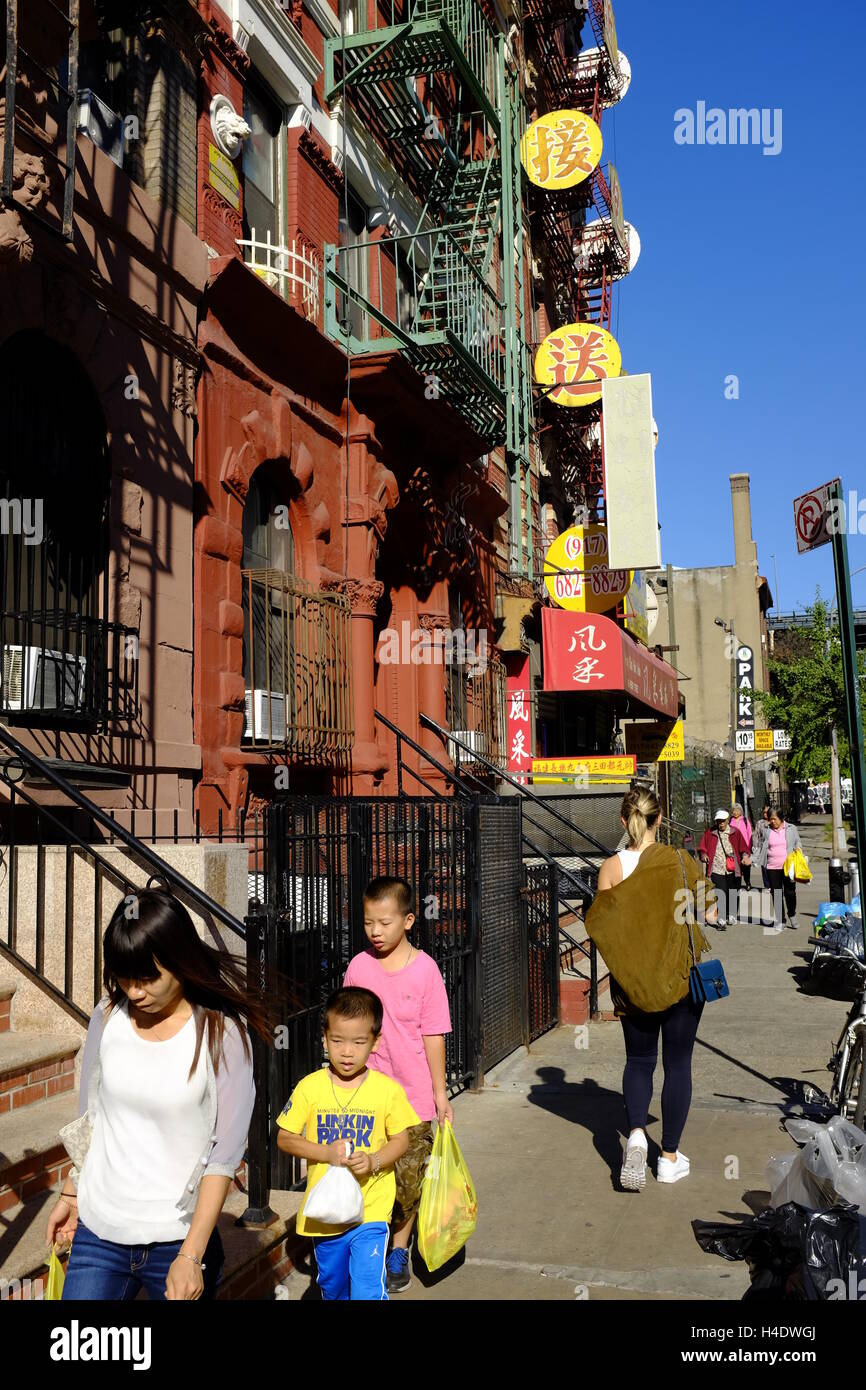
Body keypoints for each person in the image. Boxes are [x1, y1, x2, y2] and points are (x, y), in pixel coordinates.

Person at [47, 889, 269, 1300]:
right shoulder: (106, 1016)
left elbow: (223, 1158)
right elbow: (92, 1120)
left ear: (181, 962)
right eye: (124, 976)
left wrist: (191, 1255)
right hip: (99, 1232)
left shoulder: (223, 1034)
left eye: (147, 977)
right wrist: (72, 1192)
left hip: (179, 1241)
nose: (134, 992)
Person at [587, 788, 717, 1192]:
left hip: (635, 986)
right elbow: (709, 912)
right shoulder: (681, 861)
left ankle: (638, 1135)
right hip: (680, 983)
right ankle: (669, 1158)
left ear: (624, 821)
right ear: (660, 820)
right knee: (678, 1065)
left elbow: (601, 928)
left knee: (639, 1061)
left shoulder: (610, 868)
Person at [343, 876, 452, 1293]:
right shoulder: (359, 966)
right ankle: (365, 1243)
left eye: (384, 923)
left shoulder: (424, 971)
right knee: (369, 1174)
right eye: (368, 922)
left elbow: (433, 1034)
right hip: (367, 1096)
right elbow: (349, 1023)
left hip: (413, 1099)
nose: (375, 931)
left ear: (408, 920)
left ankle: (399, 1248)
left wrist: (440, 1094)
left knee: (408, 1181)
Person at [276, 986, 419, 1301]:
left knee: (367, 1289)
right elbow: (284, 1137)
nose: (347, 1052)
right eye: (337, 1041)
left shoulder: (387, 1090)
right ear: (325, 1038)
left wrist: (374, 1161)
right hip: (327, 1214)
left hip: (372, 1210)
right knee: (334, 1287)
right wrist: (325, 1153)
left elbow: (401, 1140)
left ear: (375, 1042)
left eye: (358, 1042)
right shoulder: (309, 1088)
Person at [752, 808, 804, 929]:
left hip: (788, 867)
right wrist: (752, 858)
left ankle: (792, 914)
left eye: (774, 819)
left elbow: (798, 842)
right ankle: (781, 920)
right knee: (776, 893)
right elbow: (760, 846)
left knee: (790, 892)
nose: (772, 822)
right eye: (770, 819)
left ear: (781, 818)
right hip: (772, 867)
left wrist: (798, 848)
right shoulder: (766, 830)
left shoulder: (791, 828)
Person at [698, 809, 750, 929]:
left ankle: (731, 914)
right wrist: (704, 855)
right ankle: (721, 916)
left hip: (732, 868)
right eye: (718, 821)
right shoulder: (710, 833)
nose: (720, 823)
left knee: (733, 891)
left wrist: (744, 856)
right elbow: (702, 848)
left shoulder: (735, 832)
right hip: (717, 868)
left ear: (727, 820)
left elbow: (743, 848)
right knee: (720, 892)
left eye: (723, 821)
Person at [729, 803, 753, 888]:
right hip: (734, 848)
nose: (735, 812)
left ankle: (747, 882)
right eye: (733, 810)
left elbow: (749, 834)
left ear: (741, 811)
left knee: (746, 866)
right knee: (736, 866)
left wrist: (749, 848)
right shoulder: (730, 821)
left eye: (737, 810)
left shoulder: (745, 821)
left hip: (745, 847)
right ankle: (736, 883)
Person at [751, 803, 774, 889]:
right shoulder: (760, 823)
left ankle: (774, 884)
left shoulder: (774, 821)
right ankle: (767, 886)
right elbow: (756, 836)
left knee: (773, 869)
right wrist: (755, 849)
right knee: (764, 869)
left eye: (767, 812)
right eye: (764, 812)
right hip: (763, 850)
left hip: (773, 850)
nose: (765, 814)